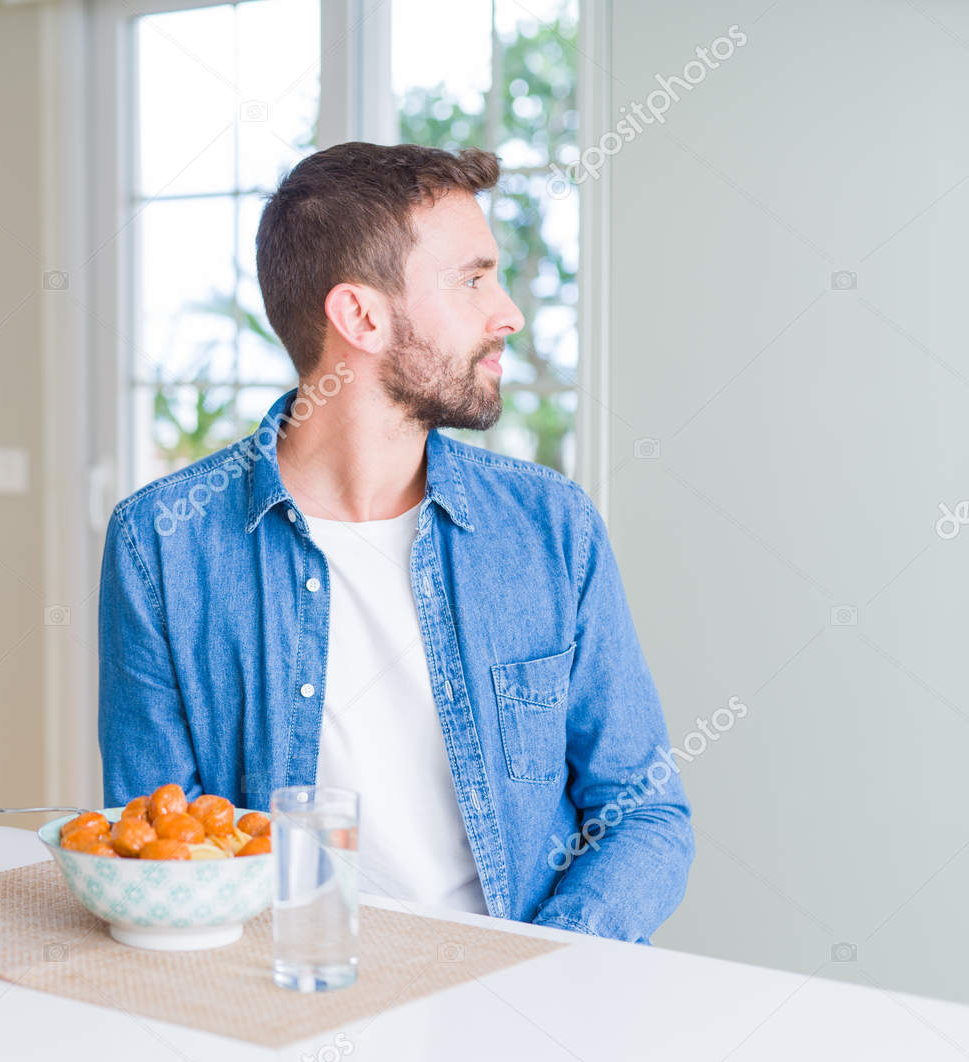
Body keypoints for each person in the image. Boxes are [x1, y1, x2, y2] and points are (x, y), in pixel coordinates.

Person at [97, 142, 693, 942]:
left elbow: (645, 816)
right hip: (288, 993)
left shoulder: (551, 528)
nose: (507, 311)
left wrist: (540, 967)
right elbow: (162, 853)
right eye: (474, 279)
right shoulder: (162, 545)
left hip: (523, 1003)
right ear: (361, 316)